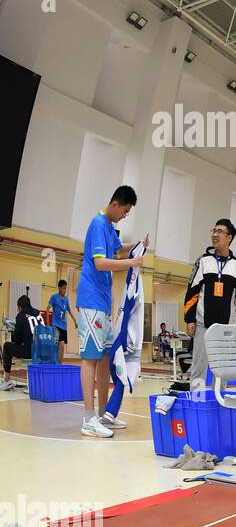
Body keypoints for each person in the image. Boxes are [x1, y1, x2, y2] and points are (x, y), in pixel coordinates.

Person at [76, 186, 146, 438]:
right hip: (91, 299)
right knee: (90, 358)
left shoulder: (108, 227)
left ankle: (104, 413)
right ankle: (87, 418)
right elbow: (100, 262)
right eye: (124, 212)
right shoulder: (97, 224)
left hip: (104, 302)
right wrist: (131, 262)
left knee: (106, 357)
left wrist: (136, 247)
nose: (123, 217)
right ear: (116, 203)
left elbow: (117, 250)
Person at [185, 219, 236, 390]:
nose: (215, 235)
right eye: (213, 230)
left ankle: (219, 403)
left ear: (229, 237)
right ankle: (197, 401)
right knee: (199, 368)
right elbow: (192, 291)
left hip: (225, 328)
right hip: (202, 324)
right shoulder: (204, 261)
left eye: (219, 231)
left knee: (222, 370)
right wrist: (189, 319)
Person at [0, 295, 42, 390]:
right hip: (40, 350)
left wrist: (15, 331)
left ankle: (7, 380)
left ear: (19, 307)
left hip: (29, 351)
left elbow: (17, 340)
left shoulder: (21, 315)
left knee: (7, 346)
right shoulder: (38, 314)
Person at [48, 280, 70, 364]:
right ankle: (55, 363)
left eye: (66, 288)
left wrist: (75, 320)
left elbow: (69, 311)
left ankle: (60, 363)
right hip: (56, 325)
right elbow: (47, 309)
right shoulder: (54, 297)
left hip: (63, 326)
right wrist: (48, 322)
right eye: (64, 288)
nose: (65, 290)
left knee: (62, 347)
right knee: (56, 346)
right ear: (59, 288)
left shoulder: (66, 299)